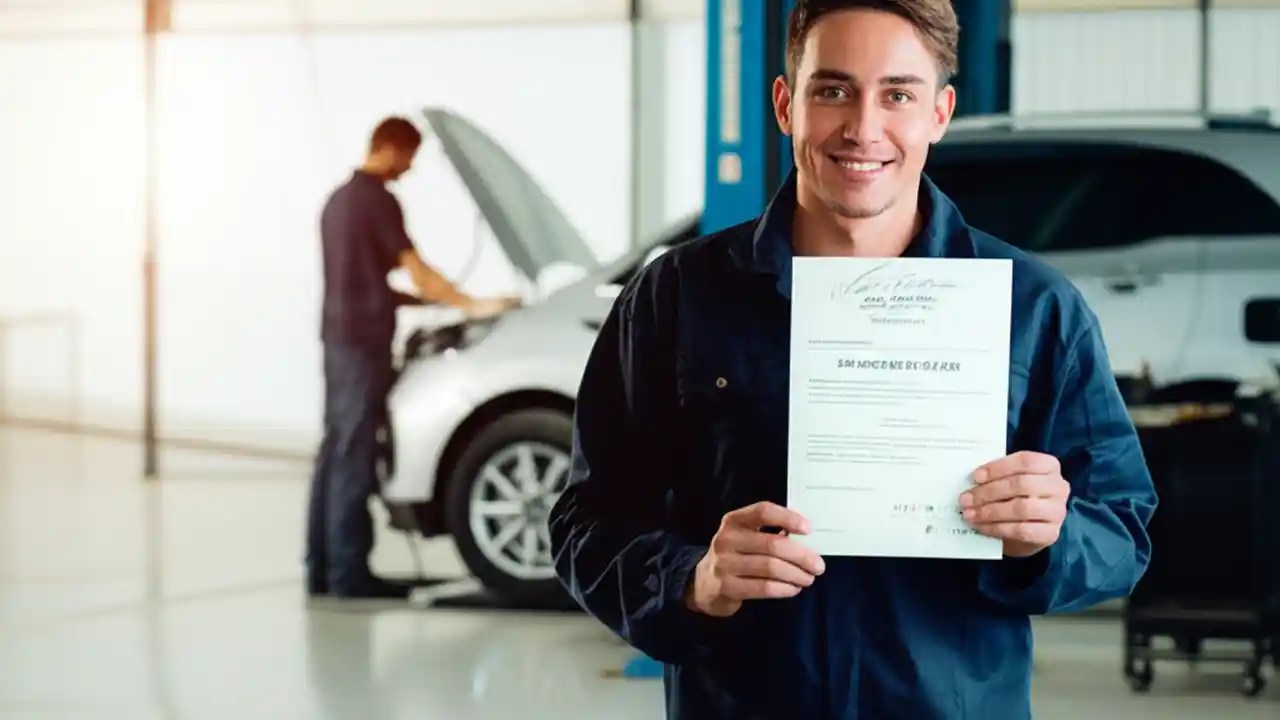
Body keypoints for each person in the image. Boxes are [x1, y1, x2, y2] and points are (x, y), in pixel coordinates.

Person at [548, 1, 1158, 717]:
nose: (863, 128)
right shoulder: (677, 297)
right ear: (785, 104)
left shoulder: (1033, 307)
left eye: (897, 94)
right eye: (832, 90)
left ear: (940, 112)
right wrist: (693, 580)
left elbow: (1120, 528)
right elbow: (587, 521)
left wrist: (1048, 537)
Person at [307, 116, 518, 599]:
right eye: (410, 158)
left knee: (334, 453)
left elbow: (360, 281)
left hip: (339, 338)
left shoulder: (338, 202)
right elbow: (416, 269)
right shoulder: (377, 200)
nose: (409, 169)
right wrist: (474, 304)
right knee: (355, 454)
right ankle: (349, 576)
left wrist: (423, 303)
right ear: (394, 148)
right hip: (362, 346)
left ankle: (322, 570)